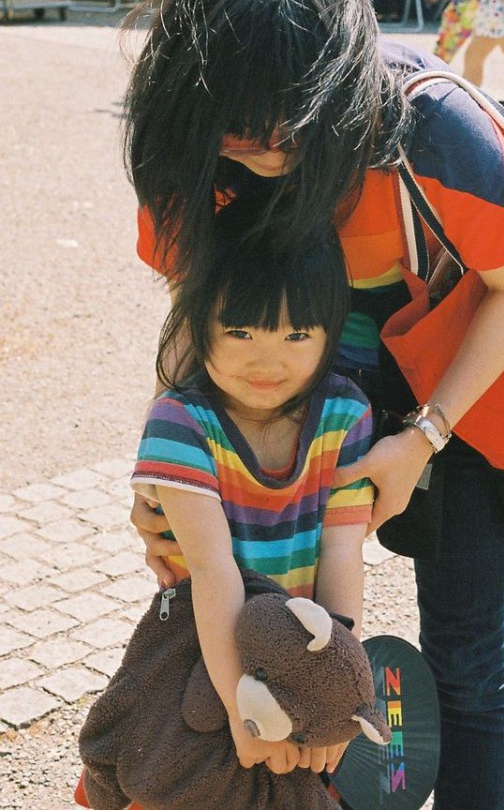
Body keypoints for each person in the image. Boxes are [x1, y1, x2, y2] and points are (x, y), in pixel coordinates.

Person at [124, 0, 504, 810]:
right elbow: (194, 314)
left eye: (288, 130)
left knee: (462, 650)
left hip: (450, 381)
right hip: (284, 384)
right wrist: (164, 465)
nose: (265, 150)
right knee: (263, 619)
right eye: (237, 131)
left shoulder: (430, 126)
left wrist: (422, 438)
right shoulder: (185, 146)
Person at [128, 203, 373, 785]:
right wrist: (245, 712)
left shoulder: (345, 414)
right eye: (239, 331)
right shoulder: (181, 422)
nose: (268, 360)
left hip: (303, 644)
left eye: (296, 333)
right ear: (197, 324)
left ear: (329, 331)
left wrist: (327, 695)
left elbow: (343, 555)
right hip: (200, 646)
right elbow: (213, 573)